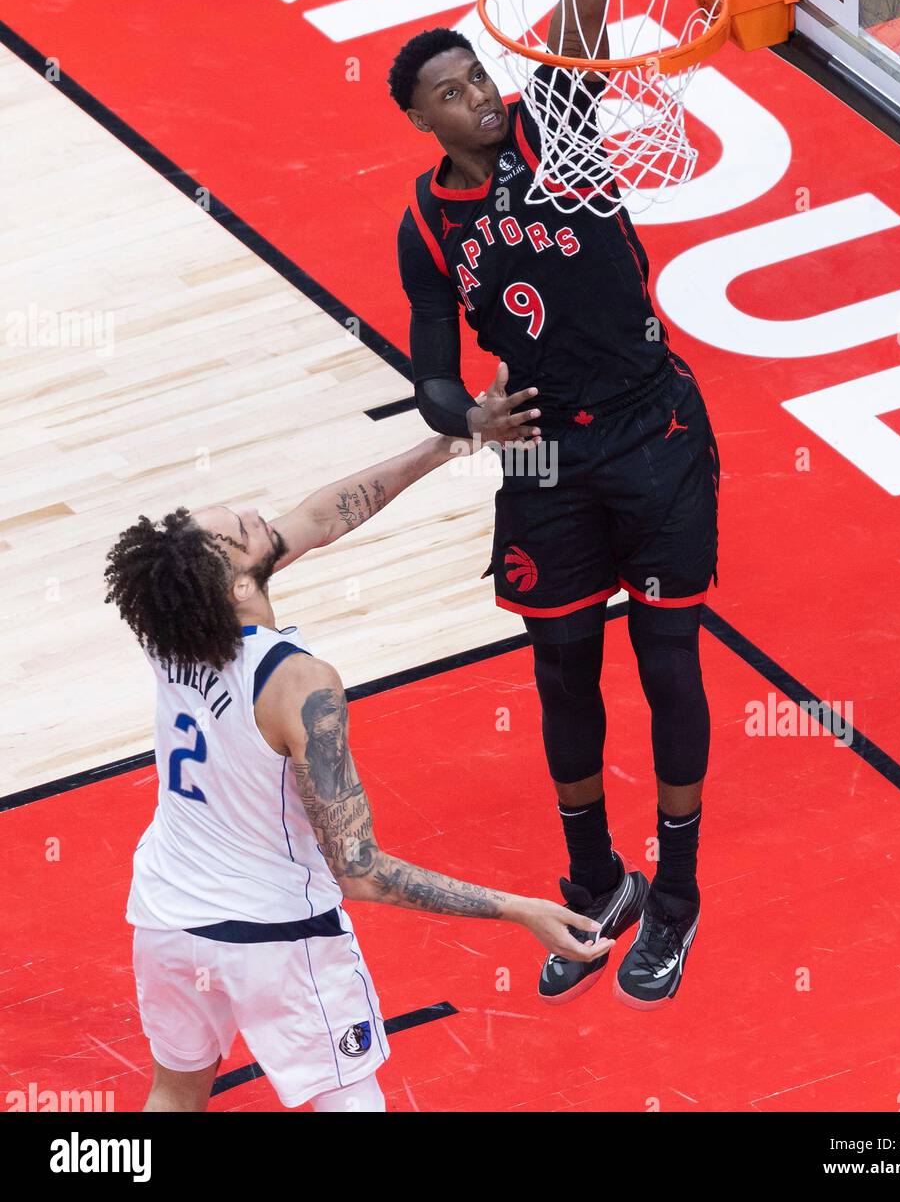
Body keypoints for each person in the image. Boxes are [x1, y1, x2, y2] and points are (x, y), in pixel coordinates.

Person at [389, 0, 720, 1011]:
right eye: (453, 92)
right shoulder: (424, 227)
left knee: (668, 655)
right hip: (537, 448)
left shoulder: (555, 124)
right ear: (423, 122)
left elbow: (585, 14)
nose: (479, 94)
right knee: (559, 668)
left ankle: (675, 895)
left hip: (650, 418)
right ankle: (597, 877)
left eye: (480, 76)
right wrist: (463, 413)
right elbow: (430, 373)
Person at [105, 430, 613, 1111]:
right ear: (235, 587)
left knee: (174, 1094)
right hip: (276, 941)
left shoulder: (167, 623)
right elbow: (362, 871)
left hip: (167, 919)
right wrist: (520, 910)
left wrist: (450, 444)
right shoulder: (299, 687)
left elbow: (320, 518)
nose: (261, 515)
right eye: (240, 529)